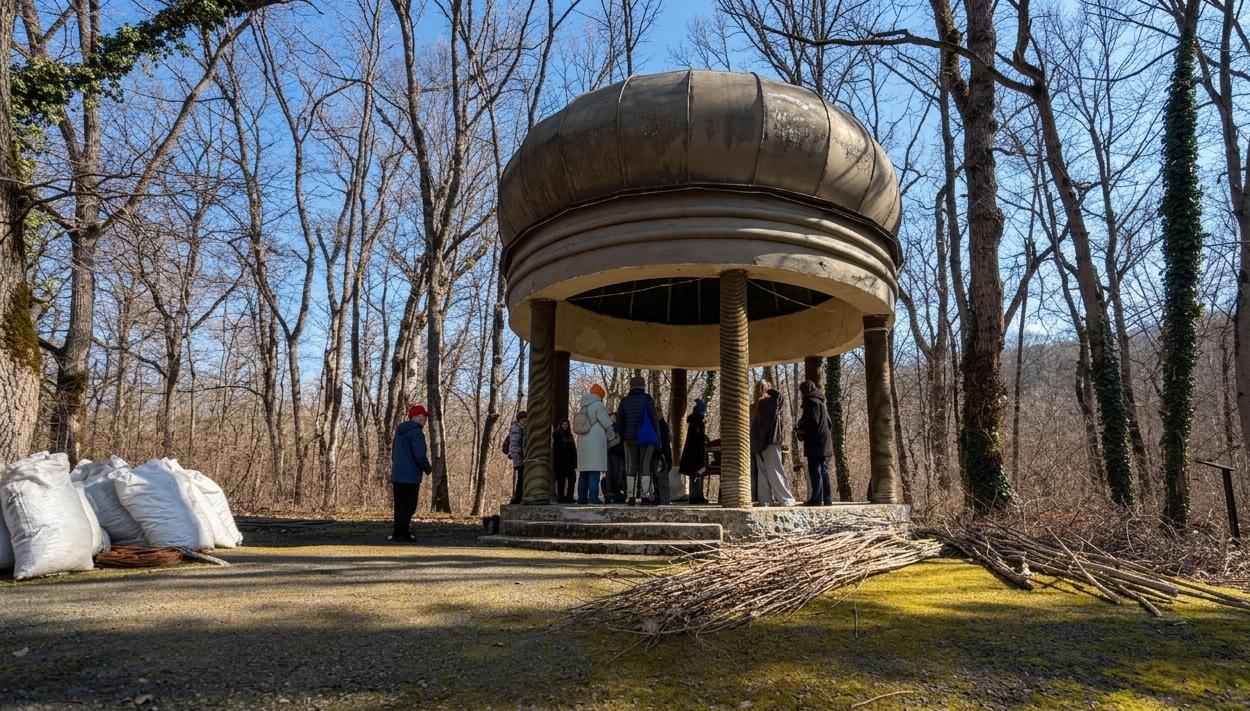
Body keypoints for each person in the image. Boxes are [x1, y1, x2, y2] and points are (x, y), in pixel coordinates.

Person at [750, 379, 798, 506]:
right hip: (769, 442)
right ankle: (785, 498)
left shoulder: (755, 406)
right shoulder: (768, 403)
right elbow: (779, 397)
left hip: (757, 443)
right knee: (775, 469)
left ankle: (765, 500)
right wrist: (768, 389)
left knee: (762, 472)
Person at [390, 405, 433, 542]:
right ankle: (402, 534)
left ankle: (398, 532)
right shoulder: (416, 433)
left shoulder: (399, 432)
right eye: (423, 416)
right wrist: (427, 468)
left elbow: (393, 454)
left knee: (399, 506)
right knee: (409, 506)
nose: (425, 419)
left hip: (397, 475)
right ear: (415, 417)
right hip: (411, 477)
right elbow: (419, 455)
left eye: (425, 417)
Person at [617, 375, 661, 505]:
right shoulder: (647, 399)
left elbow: (620, 422)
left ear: (631, 386)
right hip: (647, 438)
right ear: (642, 386)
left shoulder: (624, 401)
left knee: (631, 466)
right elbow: (654, 420)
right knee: (645, 466)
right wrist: (658, 439)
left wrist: (622, 436)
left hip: (629, 439)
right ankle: (645, 495)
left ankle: (630, 496)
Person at [796, 380, 835, 506]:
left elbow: (813, 421)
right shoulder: (820, 402)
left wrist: (801, 428)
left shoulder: (811, 402)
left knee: (815, 469)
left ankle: (817, 499)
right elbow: (829, 422)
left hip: (815, 442)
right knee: (823, 469)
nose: (801, 394)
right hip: (824, 441)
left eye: (802, 391)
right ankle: (827, 499)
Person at [575, 384, 613, 504]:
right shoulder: (598, 405)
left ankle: (582, 498)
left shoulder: (583, 406)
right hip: (595, 445)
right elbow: (607, 423)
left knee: (583, 472)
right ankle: (593, 498)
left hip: (582, 444)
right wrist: (612, 435)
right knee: (594, 472)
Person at [678, 399, 710, 504]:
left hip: (692, 453)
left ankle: (696, 496)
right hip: (696, 453)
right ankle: (696, 496)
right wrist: (703, 439)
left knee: (695, 475)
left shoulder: (694, 421)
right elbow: (697, 438)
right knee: (696, 474)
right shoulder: (698, 422)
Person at [553, 418, 578, 504]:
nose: (565, 426)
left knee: (572, 479)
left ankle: (569, 497)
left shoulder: (570, 435)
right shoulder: (556, 435)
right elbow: (557, 450)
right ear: (560, 425)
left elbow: (573, 449)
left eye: (567, 424)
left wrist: (575, 462)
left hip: (570, 463)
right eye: (564, 424)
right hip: (560, 462)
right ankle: (560, 498)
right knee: (561, 481)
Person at [507, 411, 528, 505]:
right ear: (519, 420)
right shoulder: (516, 429)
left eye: (526, 421)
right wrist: (519, 459)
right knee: (521, 479)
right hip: (519, 457)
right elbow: (514, 445)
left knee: (522, 478)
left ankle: (519, 498)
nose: (525, 422)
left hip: (521, 457)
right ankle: (517, 499)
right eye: (524, 421)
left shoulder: (522, 428)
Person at [607, 413, 626, 503]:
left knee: (620, 475)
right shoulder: (609, 428)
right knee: (613, 474)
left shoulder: (620, 427)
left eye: (615, 417)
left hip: (621, 454)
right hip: (613, 454)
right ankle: (613, 492)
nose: (614, 419)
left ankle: (618, 493)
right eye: (612, 417)